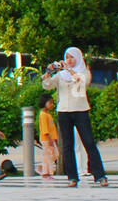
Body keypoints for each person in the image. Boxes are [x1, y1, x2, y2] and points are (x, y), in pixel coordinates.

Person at [43, 46, 108, 187]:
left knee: (89, 142)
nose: (69, 60)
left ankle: (100, 175)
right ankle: (72, 177)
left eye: (72, 57)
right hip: (64, 111)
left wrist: (68, 69)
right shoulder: (61, 75)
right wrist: (48, 72)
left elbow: (81, 82)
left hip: (80, 110)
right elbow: (47, 85)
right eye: (67, 57)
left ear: (78, 58)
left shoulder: (84, 72)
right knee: (67, 145)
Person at [37, 92, 58, 180]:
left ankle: (43, 169)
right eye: (50, 103)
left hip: (51, 139)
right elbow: (45, 129)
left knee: (52, 155)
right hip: (46, 139)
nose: (51, 105)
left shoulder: (48, 115)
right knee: (49, 156)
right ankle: (46, 173)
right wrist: (50, 139)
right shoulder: (43, 115)